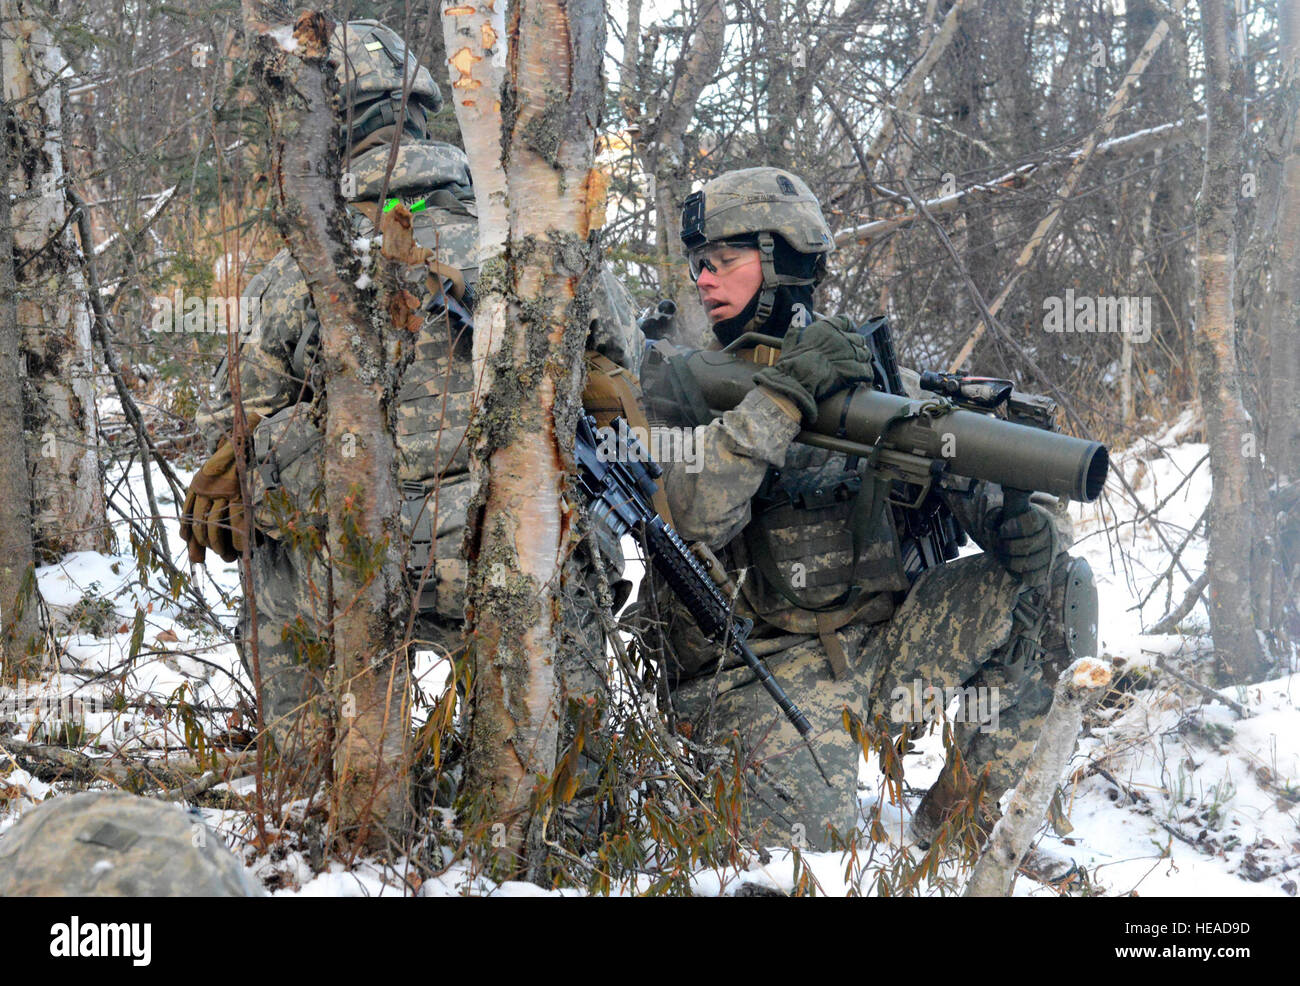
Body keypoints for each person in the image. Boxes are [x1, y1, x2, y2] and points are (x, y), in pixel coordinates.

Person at [180, 21, 635, 800]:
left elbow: (245, 439)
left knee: (267, 519)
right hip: (512, 564)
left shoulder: (294, 271)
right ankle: (565, 816)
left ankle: (308, 786)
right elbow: (628, 418)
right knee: (580, 524)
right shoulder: (538, 245)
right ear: (424, 116)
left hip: (354, 572)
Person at [639, 167, 1098, 852]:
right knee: (801, 857)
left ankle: (968, 825)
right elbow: (696, 516)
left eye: (723, 261)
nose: (703, 280)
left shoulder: (876, 383)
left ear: (783, 260)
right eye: (699, 264)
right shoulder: (678, 389)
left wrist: (1024, 528)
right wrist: (781, 399)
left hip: (881, 653)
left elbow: (991, 479)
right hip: (753, 670)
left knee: (1059, 585)